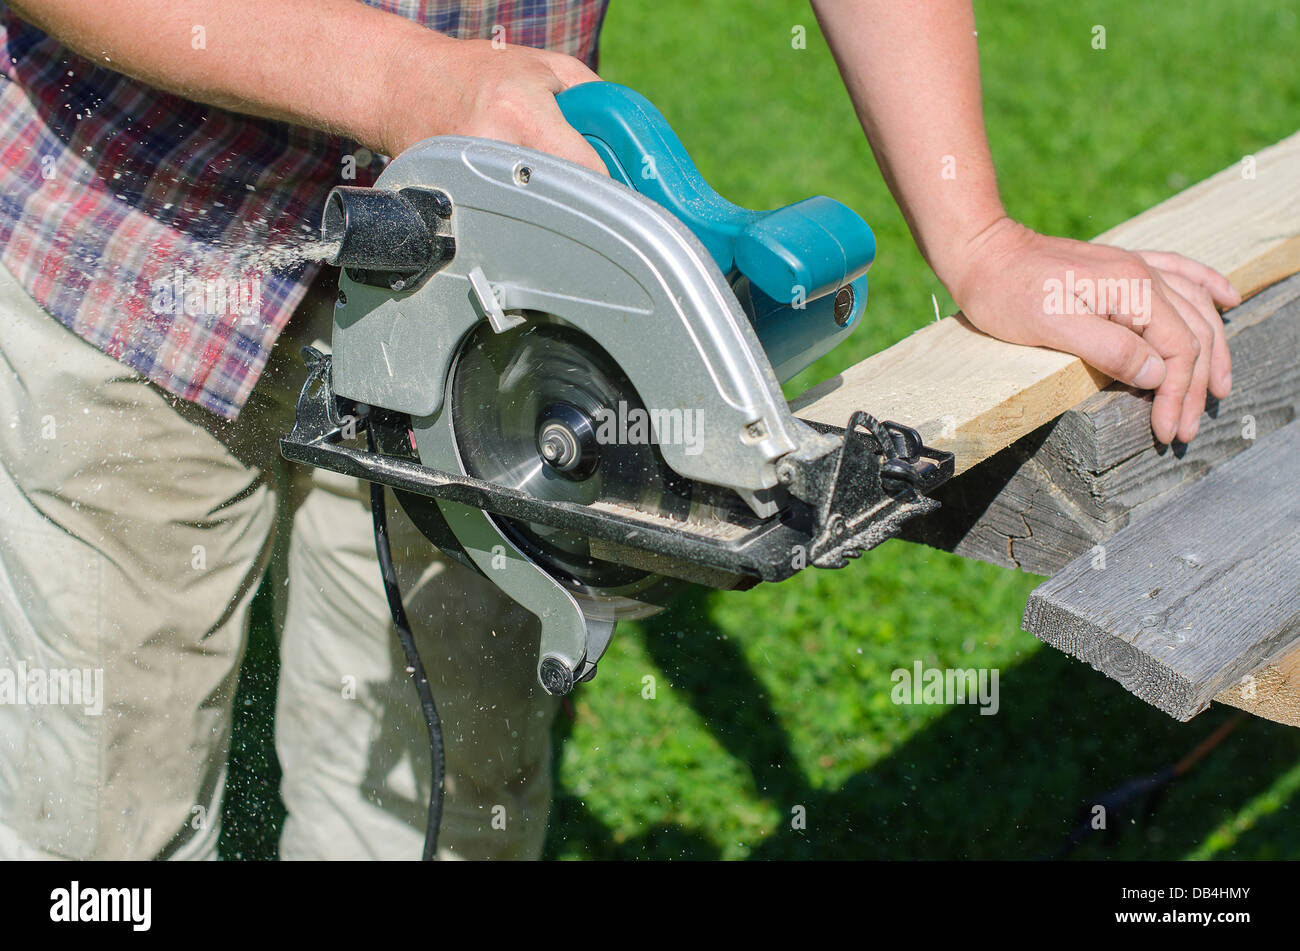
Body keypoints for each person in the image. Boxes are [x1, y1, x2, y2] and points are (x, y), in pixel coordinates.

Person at [0, 0, 1236, 861]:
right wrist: (408, 84)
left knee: (447, 807)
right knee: (100, 821)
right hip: (142, 235)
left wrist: (977, 236)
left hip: (507, 275)